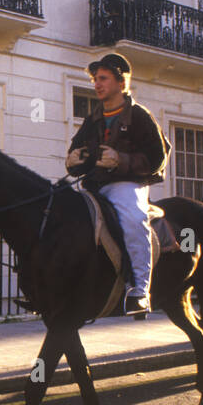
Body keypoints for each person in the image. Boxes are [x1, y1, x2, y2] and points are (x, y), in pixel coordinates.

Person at [65, 52, 168, 314]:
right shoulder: (92, 119)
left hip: (127, 184)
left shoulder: (140, 116)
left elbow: (158, 156)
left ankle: (140, 291)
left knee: (134, 219)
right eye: (95, 79)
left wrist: (120, 160)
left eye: (103, 78)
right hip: (94, 185)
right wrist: (73, 160)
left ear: (121, 83)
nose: (97, 84)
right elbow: (76, 151)